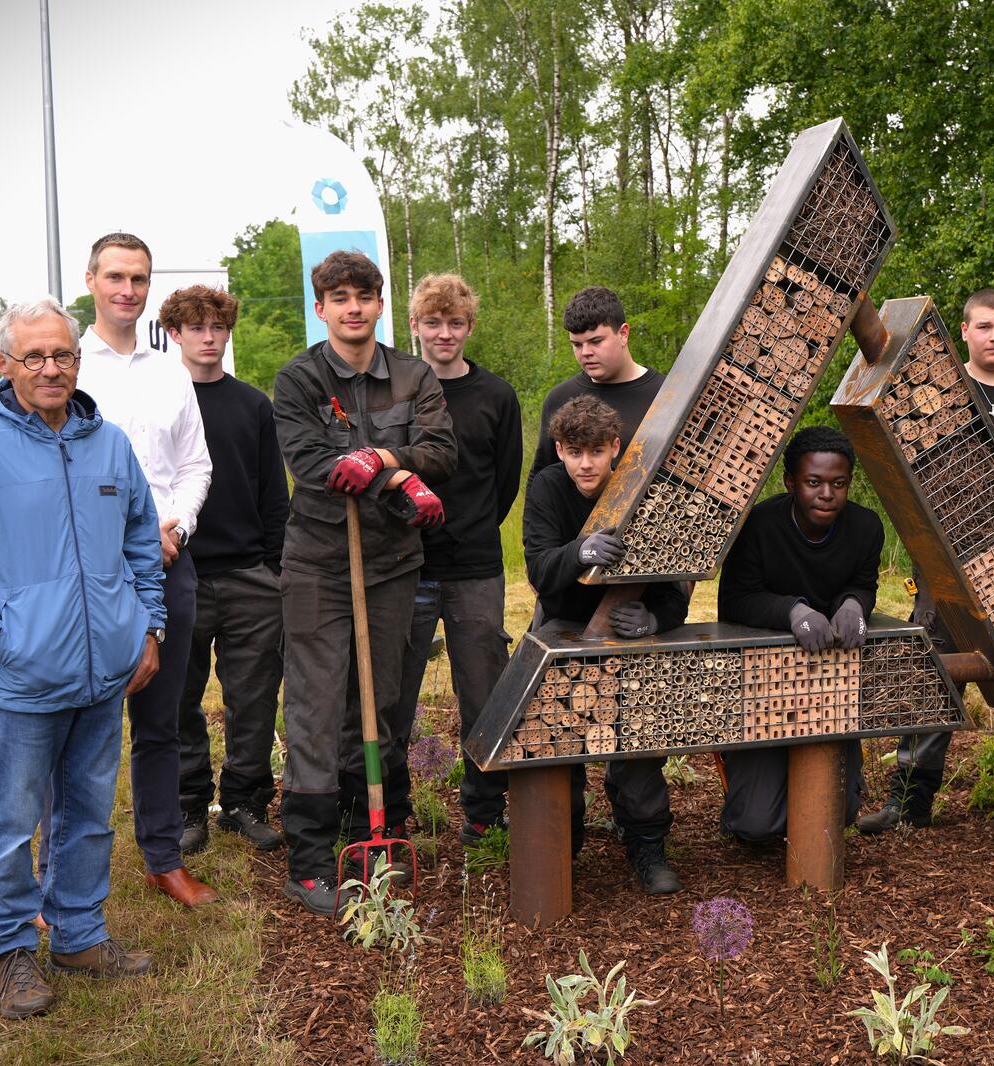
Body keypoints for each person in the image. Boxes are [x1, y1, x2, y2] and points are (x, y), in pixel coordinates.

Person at [0, 298, 164, 1018]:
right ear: (5, 363)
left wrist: (147, 627)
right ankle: (12, 951)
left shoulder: (109, 444)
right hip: (21, 678)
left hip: (103, 675)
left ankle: (79, 935)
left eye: (63, 355)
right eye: (35, 356)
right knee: (13, 823)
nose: (51, 368)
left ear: (77, 360)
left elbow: (142, 539)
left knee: (89, 814)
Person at [272, 250, 456, 915]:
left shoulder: (413, 375)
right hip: (319, 565)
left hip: (391, 564)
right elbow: (310, 460)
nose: (353, 308)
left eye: (364, 296)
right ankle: (309, 856)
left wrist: (381, 456)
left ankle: (374, 826)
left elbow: (443, 450)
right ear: (320, 308)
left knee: (380, 699)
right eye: (340, 298)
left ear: (380, 304)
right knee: (316, 705)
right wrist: (400, 478)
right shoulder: (299, 379)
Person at [859, 289, 994, 841]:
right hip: (943, 562)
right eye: (984, 326)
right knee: (932, 673)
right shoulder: (940, 388)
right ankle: (910, 800)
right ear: (964, 331)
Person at [73, 233, 217, 907]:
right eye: (115, 277)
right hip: (86, 569)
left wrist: (175, 527)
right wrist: (123, 536)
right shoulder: (67, 368)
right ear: (91, 281)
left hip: (166, 560)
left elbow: (195, 466)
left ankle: (163, 857)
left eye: (138, 278)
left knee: (162, 720)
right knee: (77, 724)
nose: (127, 290)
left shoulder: (169, 372)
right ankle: (65, 868)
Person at [523, 396, 687, 894]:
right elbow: (540, 571)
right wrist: (581, 550)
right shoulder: (547, 487)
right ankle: (563, 841)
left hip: (626, 630)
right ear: (560, 450)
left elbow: (674, 585)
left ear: (616, 447)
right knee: (557, 737)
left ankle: (646, 843)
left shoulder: (641, 487)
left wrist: (655, 617)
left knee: (639, 738)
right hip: (562, 625)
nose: (586, 464)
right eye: (575, 453)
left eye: (596, 451)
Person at [393, 274, 522, 844]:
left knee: (484, 693)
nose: (443, 333)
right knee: (395, 694)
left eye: (455, 323)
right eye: (433, 322)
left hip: (475, 568)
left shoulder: (496, 396)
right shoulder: (397, 391)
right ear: (415, 326)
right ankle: (391, 812)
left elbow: (505, 481)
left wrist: (469, 527)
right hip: (405, 566)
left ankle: (483, 812)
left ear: (469, 327)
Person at [163, 286, 290, 855]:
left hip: (250, 576)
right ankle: (189, 805)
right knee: (178, 698)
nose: (208, 338)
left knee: (254, 698)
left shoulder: (253, 405)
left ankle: (244, 801)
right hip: (179, 571)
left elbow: (274, 493)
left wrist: (275, 568)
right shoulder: (162, 403)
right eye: (196, 328)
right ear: (175, 334)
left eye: (217, 327)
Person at [718, 426, 883, 844]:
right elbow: (735, 600)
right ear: (790, 482)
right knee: (756, 827)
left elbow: (864, 584)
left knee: (837, 813)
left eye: (838, 483)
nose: (826, 494)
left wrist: (854, 605)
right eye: (813, 482)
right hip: (763, 681)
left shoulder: (866, 527)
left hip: (831, 680)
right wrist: (793, 610)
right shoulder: (758, 525)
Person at [526, 287, 663, 485]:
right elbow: (541, 478)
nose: (585, 352)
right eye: (577, 345)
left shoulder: (668, 395)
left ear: (623, 334)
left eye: (596, 341)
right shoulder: (561, 399)